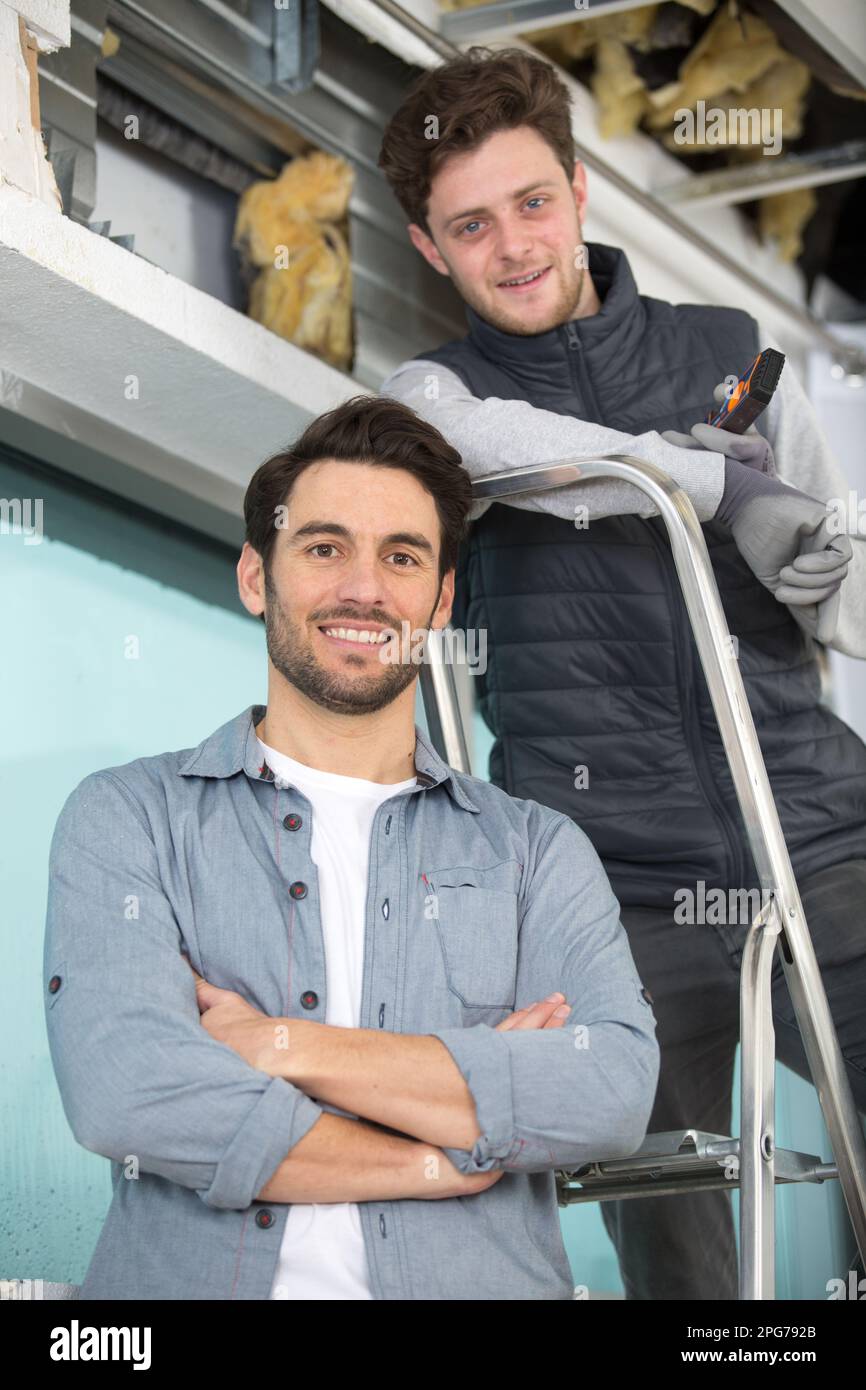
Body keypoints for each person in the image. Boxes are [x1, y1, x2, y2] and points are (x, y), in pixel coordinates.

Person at [377, 45, 866, 1300]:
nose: (514, 245)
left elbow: (843, 593)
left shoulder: (736, 353)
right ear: (431, 251)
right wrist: (716, 483)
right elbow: (488, 446)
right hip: (614, 899)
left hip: (825, 840)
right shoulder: (436, 402)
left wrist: (817, 556)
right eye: (469, 225)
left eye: (532, 202)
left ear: (581, 191)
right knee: (683, 1266)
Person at [43, 394, 659, 1301]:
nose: (364, 589)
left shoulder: (535, 853)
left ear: (442, 599)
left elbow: (609, 1092)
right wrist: (443, 1151)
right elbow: (128, 1092)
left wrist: (277, 1047)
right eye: (324, 547)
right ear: (258, 576)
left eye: (401, 557)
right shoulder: (128, 818)